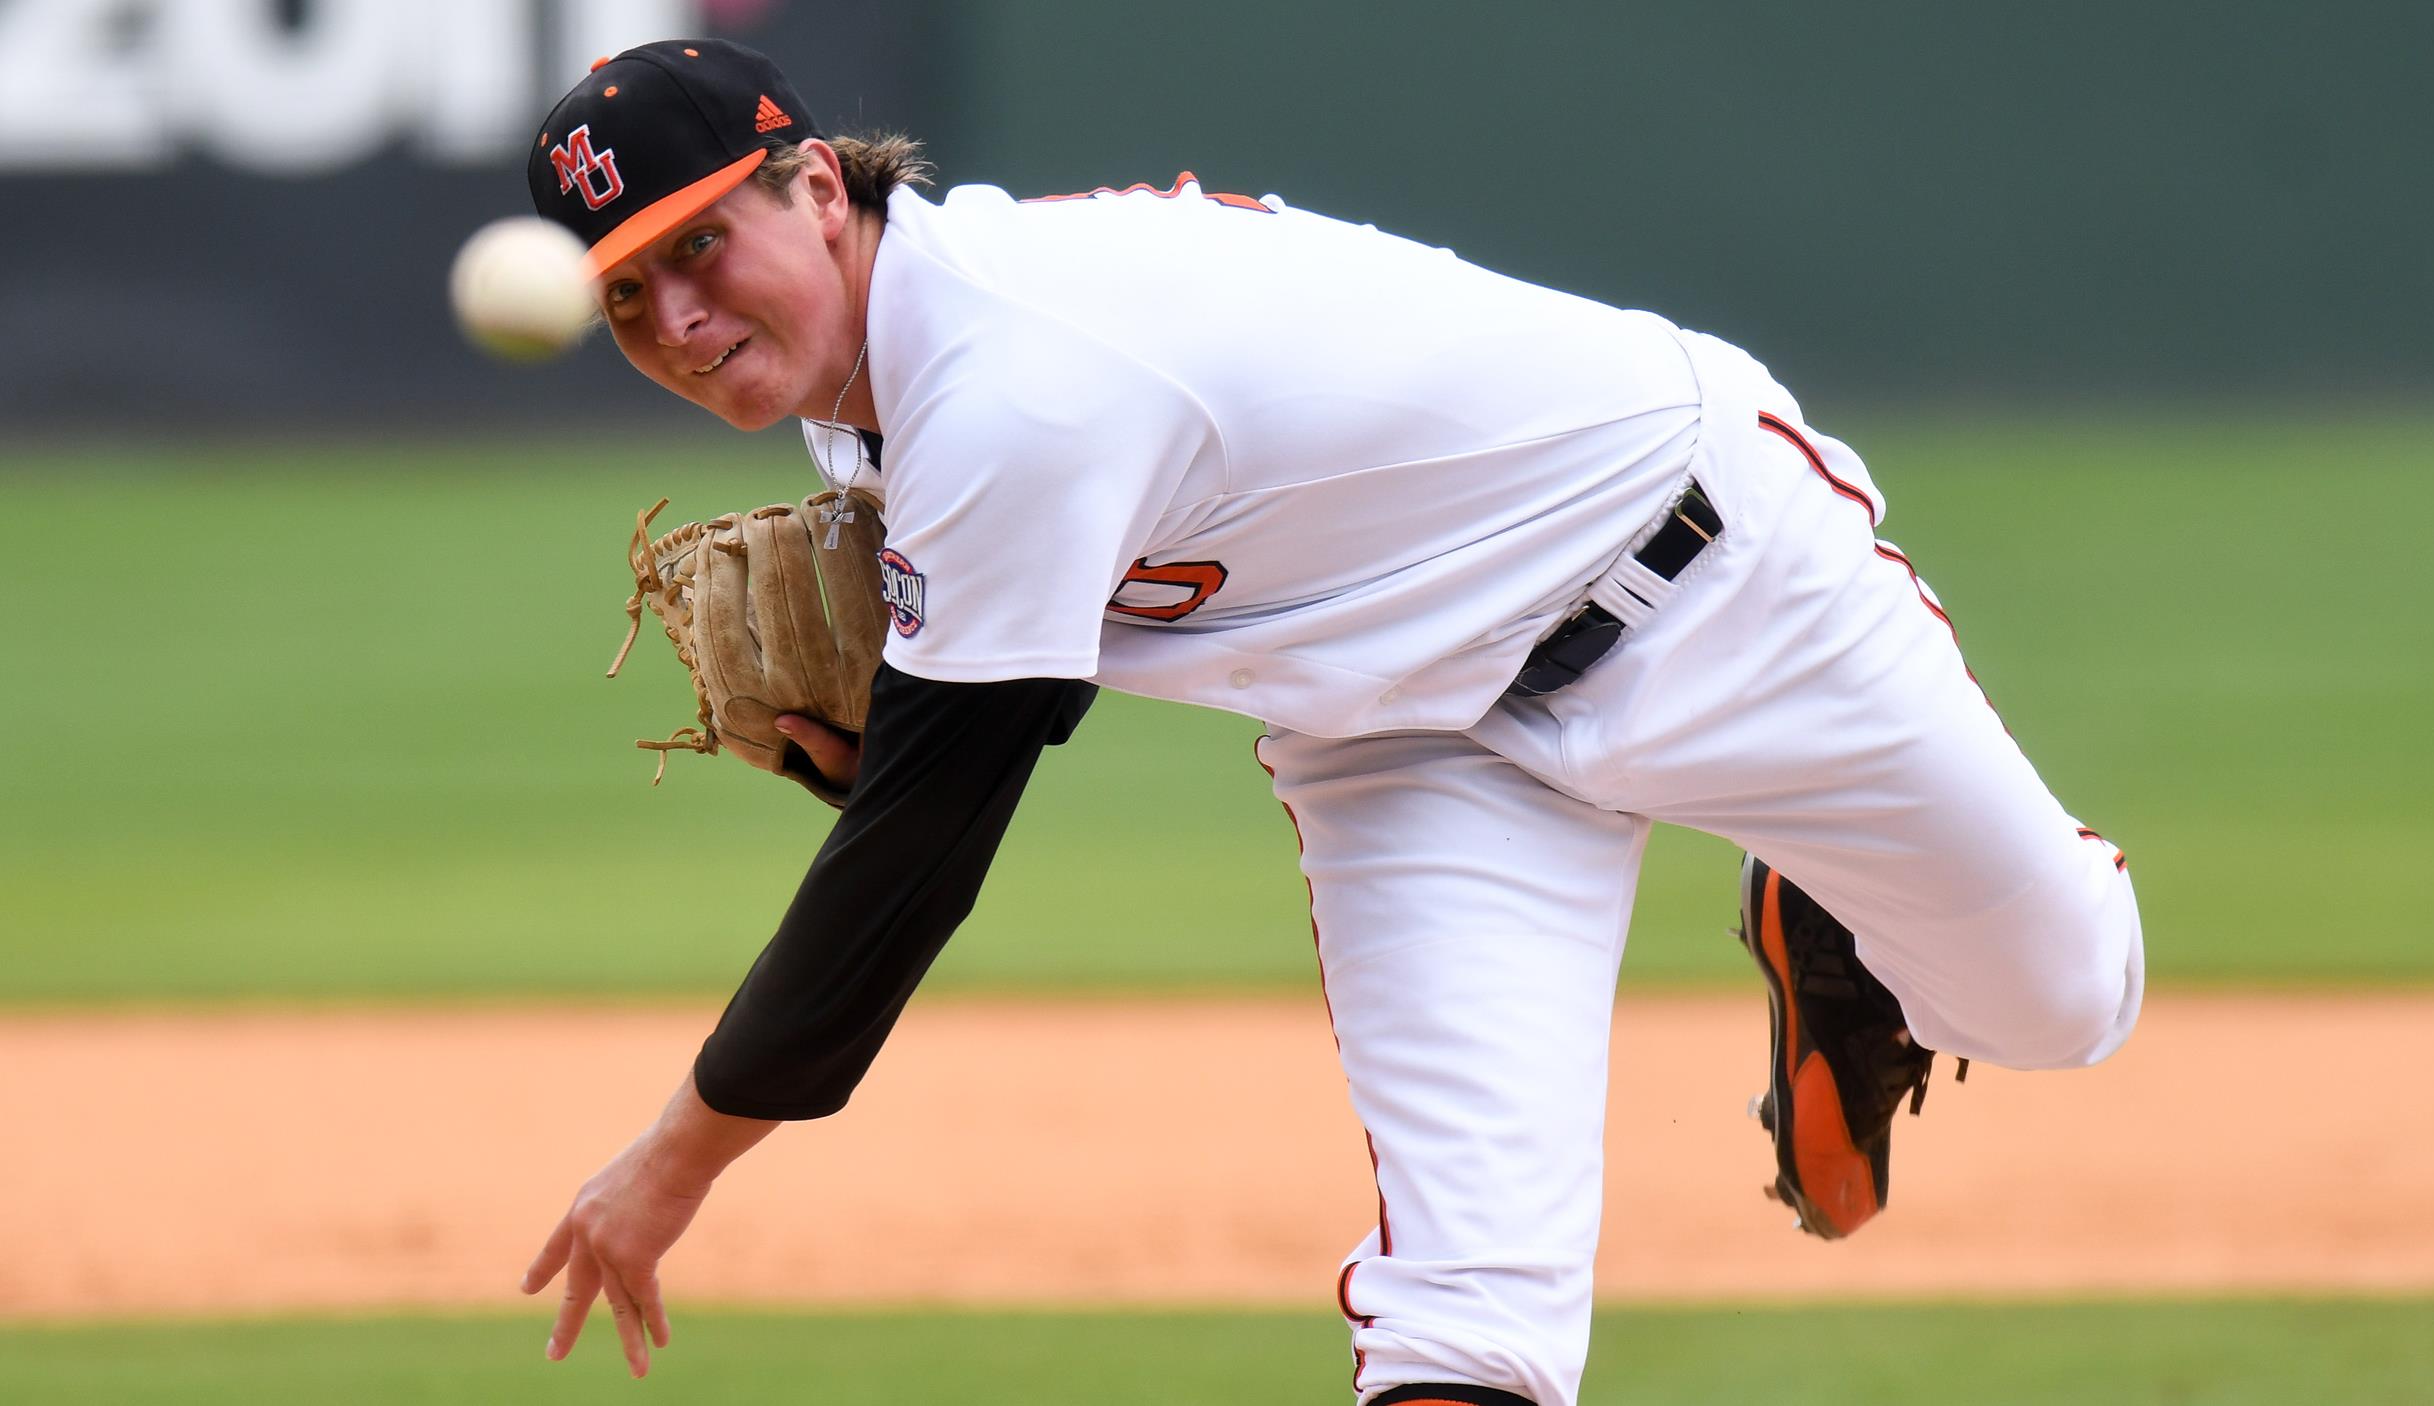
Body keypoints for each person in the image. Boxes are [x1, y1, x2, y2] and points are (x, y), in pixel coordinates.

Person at [515, 39, 2144, 1405]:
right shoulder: (869, 395)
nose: (673, 314)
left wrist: (673, 1161)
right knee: (1466, 1311)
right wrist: (888, 752)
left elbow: (917, 859)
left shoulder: (1008, 379)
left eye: (698, 245)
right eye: (627, 291)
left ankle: (1836, 917)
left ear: (815, 185)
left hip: (1706, 581)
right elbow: (984, 723)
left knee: (2065, 995)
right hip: (1406, 741)